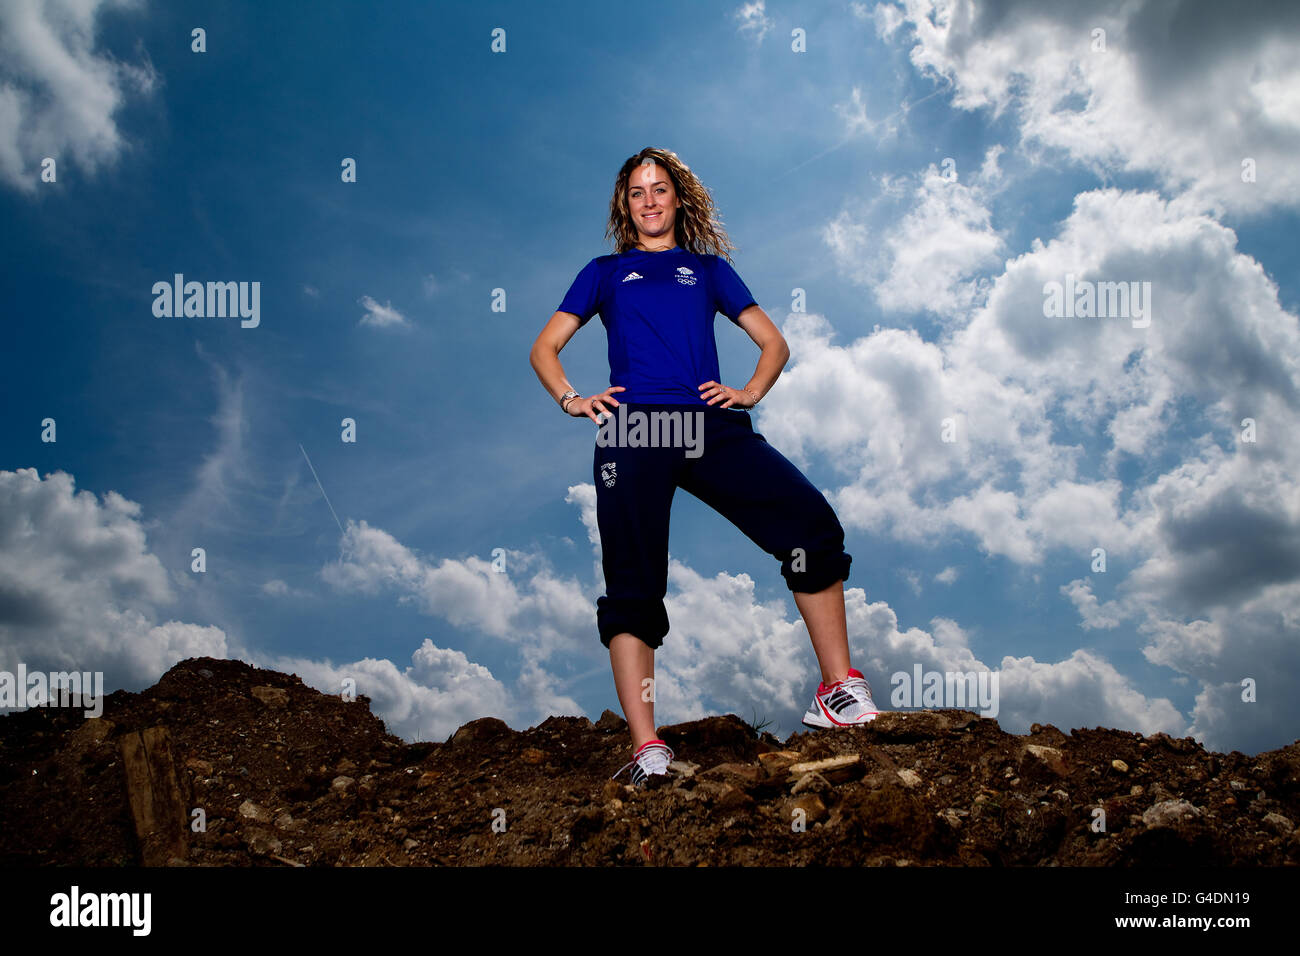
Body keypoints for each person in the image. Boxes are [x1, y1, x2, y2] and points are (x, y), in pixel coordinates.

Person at [529, 147, 879, 788]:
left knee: (810, 526)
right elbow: (545, 347)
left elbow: (774, 342)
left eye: (660, 189)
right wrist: (573, 399)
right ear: (624, 205)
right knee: (632, 583)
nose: (650, 200)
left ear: (679, 199)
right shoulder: (604, 272)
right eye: (637, 192)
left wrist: (748, 391)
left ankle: (839, 690)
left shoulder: (709, 271)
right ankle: (647, 749)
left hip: (707, 423)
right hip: (633, 428)